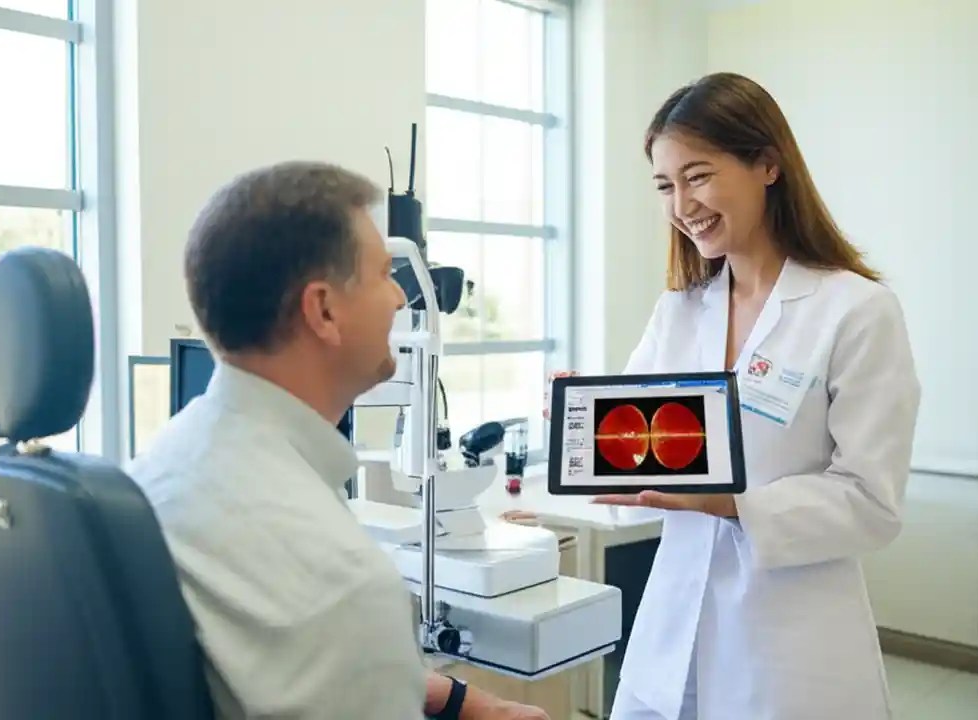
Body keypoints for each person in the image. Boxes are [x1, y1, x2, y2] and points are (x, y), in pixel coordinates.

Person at [126, 160, 549, 720]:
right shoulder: (347, 586)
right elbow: (334, 620)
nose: (401, 299)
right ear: (323, 310)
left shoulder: (161, 462)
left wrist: (465, 703)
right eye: (383, 274)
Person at [560, 73, 922, 719]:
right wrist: (586, 436)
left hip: (790, 643)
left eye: (698, 176)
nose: (681, 203)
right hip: (673, 623)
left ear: (767, 166)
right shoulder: (680, 310)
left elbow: (873, 503)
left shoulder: (856, 309)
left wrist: (730, 502)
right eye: (666, 185)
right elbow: (638, 476)